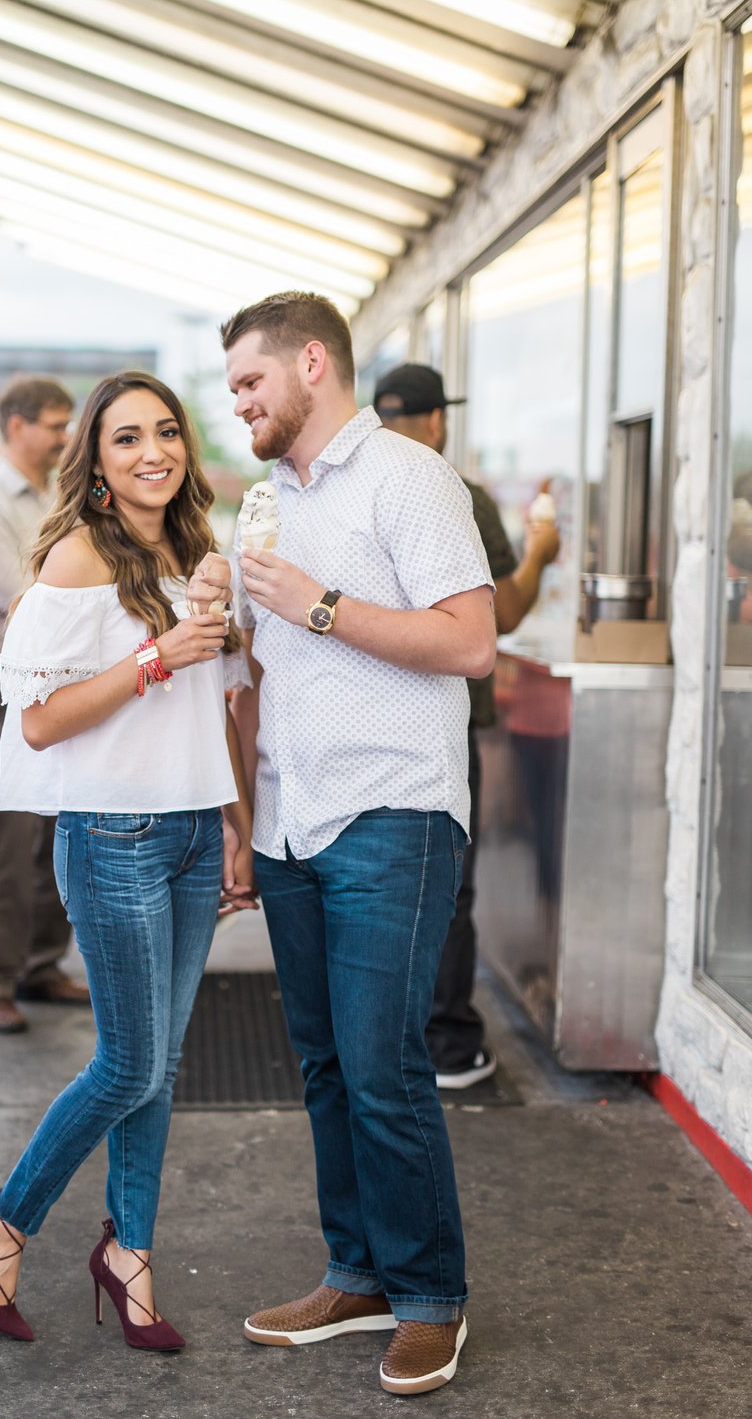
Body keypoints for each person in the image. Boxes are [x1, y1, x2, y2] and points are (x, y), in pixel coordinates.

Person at [0, 372, 255, 1349]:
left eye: (167, 432)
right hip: (111, 833)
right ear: (99, 465)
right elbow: (33, 722)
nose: (153, 450)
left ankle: (130, 1256)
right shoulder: (76, 559)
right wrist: (157, 657)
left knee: (159, 1065)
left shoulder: (202, 553)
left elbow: (226, 705)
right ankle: (5, 1221)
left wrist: (236, 822)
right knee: (127, 1063)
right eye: (127, 439)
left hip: (195, 830)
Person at [222, 293, 495, 1397]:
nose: (236, 400)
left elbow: (471, 641)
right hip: (292, 816)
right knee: (328, 1064)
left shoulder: (409, 479)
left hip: (394, 808)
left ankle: (430, 1294)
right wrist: (243, 818)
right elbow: (261, 671)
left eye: (249, 381)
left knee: (384, 1066)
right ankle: (359, 1274)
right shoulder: (263, 496)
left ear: (312, 364)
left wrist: (318, 603)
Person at [373, 363, 561, 1088]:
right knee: (447, 885)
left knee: (382, 885)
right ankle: (448, 1042)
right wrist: (541, 553)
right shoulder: (455, 492)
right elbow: (503, 615)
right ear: (438, 421)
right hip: (443, 724)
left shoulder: (356, 489)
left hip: (368, 721)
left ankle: (387, 1034)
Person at [0, 374, 90, 1034]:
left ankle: (41, 963)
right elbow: (22, 605)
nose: (65, 437)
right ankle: (0, 981)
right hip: (14, 684)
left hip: (66, 679)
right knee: (10, 841)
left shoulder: (56, 493)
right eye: (55, 424)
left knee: (53, 833)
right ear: (17, 426)